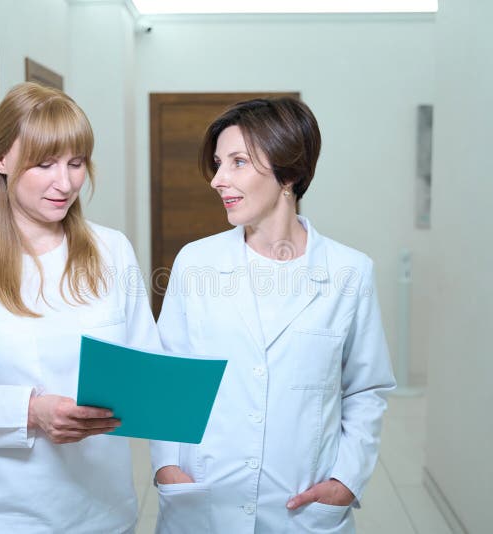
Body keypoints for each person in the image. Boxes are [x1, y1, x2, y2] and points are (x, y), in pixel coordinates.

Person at [0, 82, 159, 533]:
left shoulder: (113, 250)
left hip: (101, 513)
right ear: (1, 159)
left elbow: (147, 368)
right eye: (44, 164)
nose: (66, 182)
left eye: (76, 163)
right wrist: (28, 413)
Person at [150, 97, 396, 533]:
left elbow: (366, 389)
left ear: (290, 174)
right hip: (203, 501)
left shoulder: (348, 272)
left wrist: (346, 479)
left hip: (300, 509)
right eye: (218, 163)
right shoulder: (195, 263)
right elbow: (167, 376)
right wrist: (168, 466)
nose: (218, 179)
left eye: (238, 162)